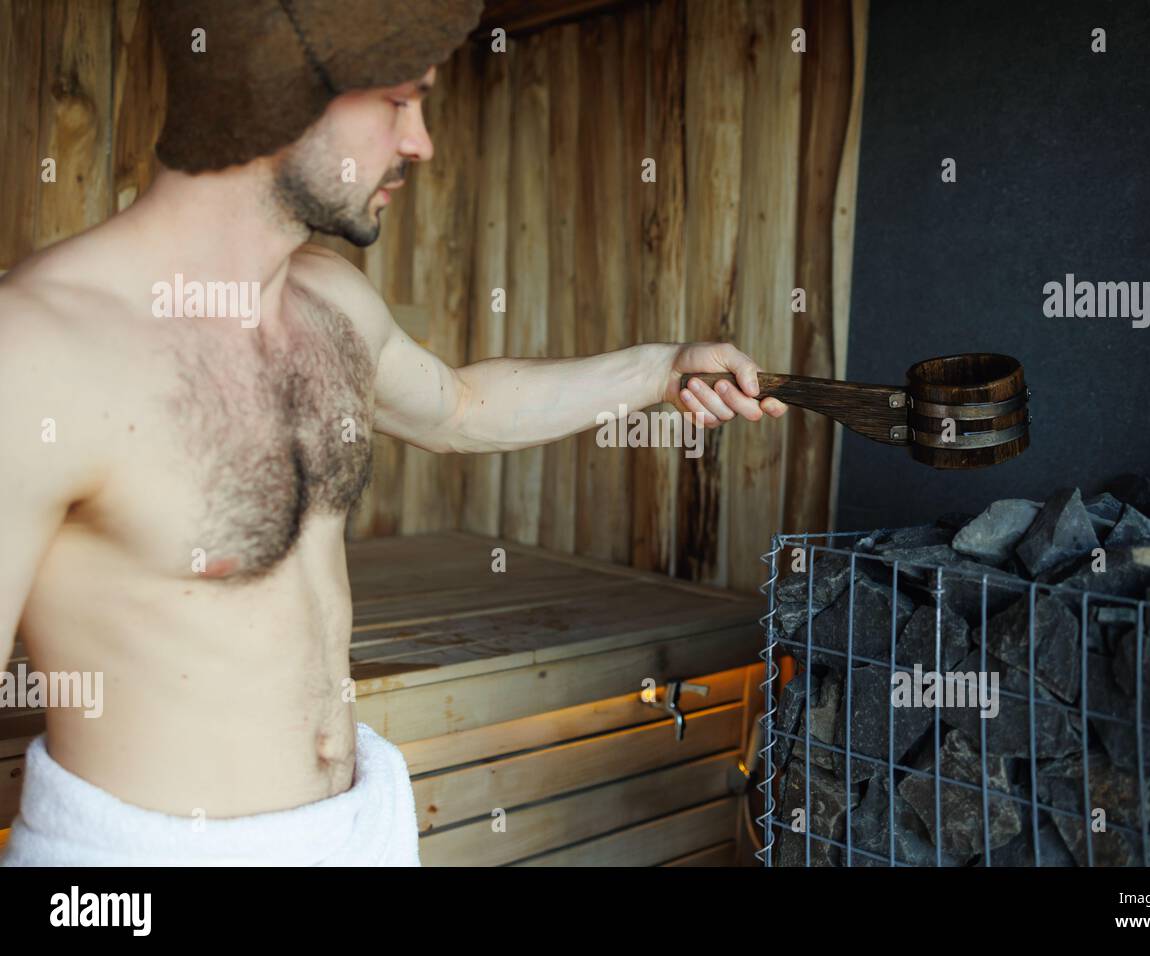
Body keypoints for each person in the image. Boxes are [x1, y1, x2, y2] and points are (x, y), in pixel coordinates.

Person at [0, 0, 786, 865]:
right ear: (278, 91)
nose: (421, 143)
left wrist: (661, 369)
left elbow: (457, 410)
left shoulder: (331, 302)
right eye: (399, 102)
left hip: (352, 833)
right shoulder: (39, 350)